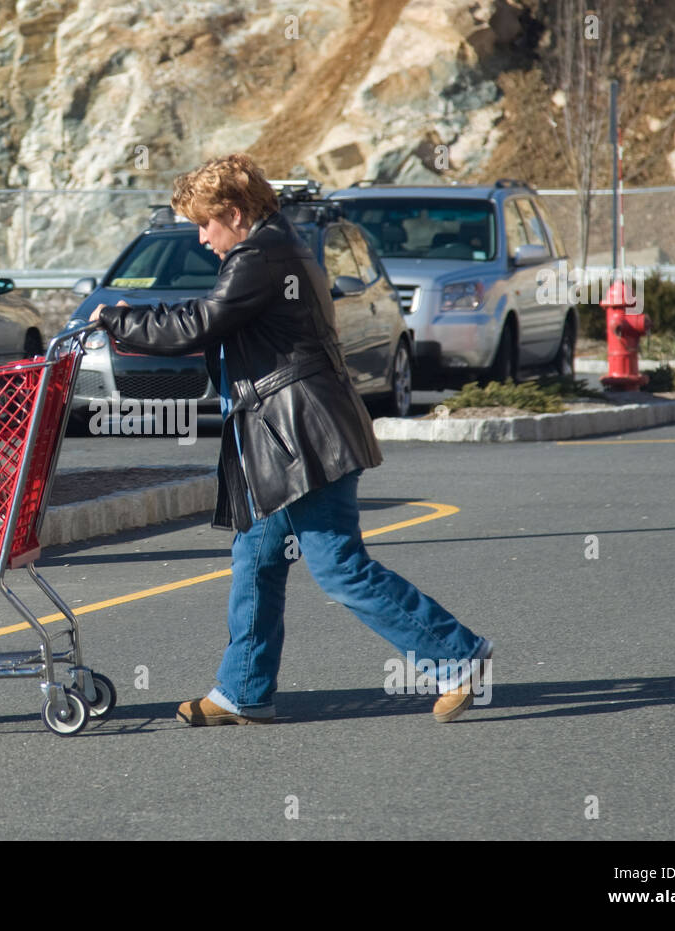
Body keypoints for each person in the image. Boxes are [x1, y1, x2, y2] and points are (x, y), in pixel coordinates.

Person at [91, 154, 493, 725]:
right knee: (256, 559)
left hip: (304, 439)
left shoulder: (262, 255)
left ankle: (458, 656)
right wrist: (143, 315)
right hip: (281, 439)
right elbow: (213, 313)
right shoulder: (273, 247)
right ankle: (243, 691)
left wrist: (119, 322)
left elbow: (201, 323)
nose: (203, 238)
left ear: (234, 212)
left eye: (205, 224)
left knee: (338, 566)